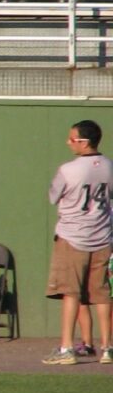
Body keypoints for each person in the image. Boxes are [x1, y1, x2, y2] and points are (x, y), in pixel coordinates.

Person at [42, 120, 113, 365]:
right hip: (103, 237)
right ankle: (107, 347)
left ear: (85, 142)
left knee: (70, 293)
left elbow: (53, 196)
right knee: (102, 294)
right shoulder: (109, 166)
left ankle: (66, 348)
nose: (68, 142)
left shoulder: (68, 169)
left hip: (73, 238)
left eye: (72, 139)